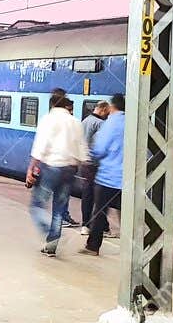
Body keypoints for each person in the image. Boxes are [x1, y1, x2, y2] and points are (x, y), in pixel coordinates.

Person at [27, 93, 86, 256]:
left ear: (52, 104)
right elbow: (82, 151)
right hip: (70, 170)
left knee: (36, 206)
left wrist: (31, 169)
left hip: (52, 168)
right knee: (59, 209)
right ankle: (51, 246)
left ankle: (48, 232)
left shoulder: (48, 119)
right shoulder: (75, 122)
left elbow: (40, 146)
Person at [82, 94, 125, 255]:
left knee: (99, 212)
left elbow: (100, 149)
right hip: (127, 179)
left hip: (108, 177)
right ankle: (131, 248)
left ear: (112, 107)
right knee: (128, 214)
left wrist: (91, 159)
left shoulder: (111, 123)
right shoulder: (134, 122)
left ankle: (93, 246)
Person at [76, 100, 111, 229]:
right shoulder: (101, 124)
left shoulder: (85, 121)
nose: (107, 115)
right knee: (99, 196)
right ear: (102, 109)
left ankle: (86, 224)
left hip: (85, 163)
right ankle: (101, 226)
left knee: (87, 193)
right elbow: (104, 145)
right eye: (107, 112)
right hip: (95, 164)